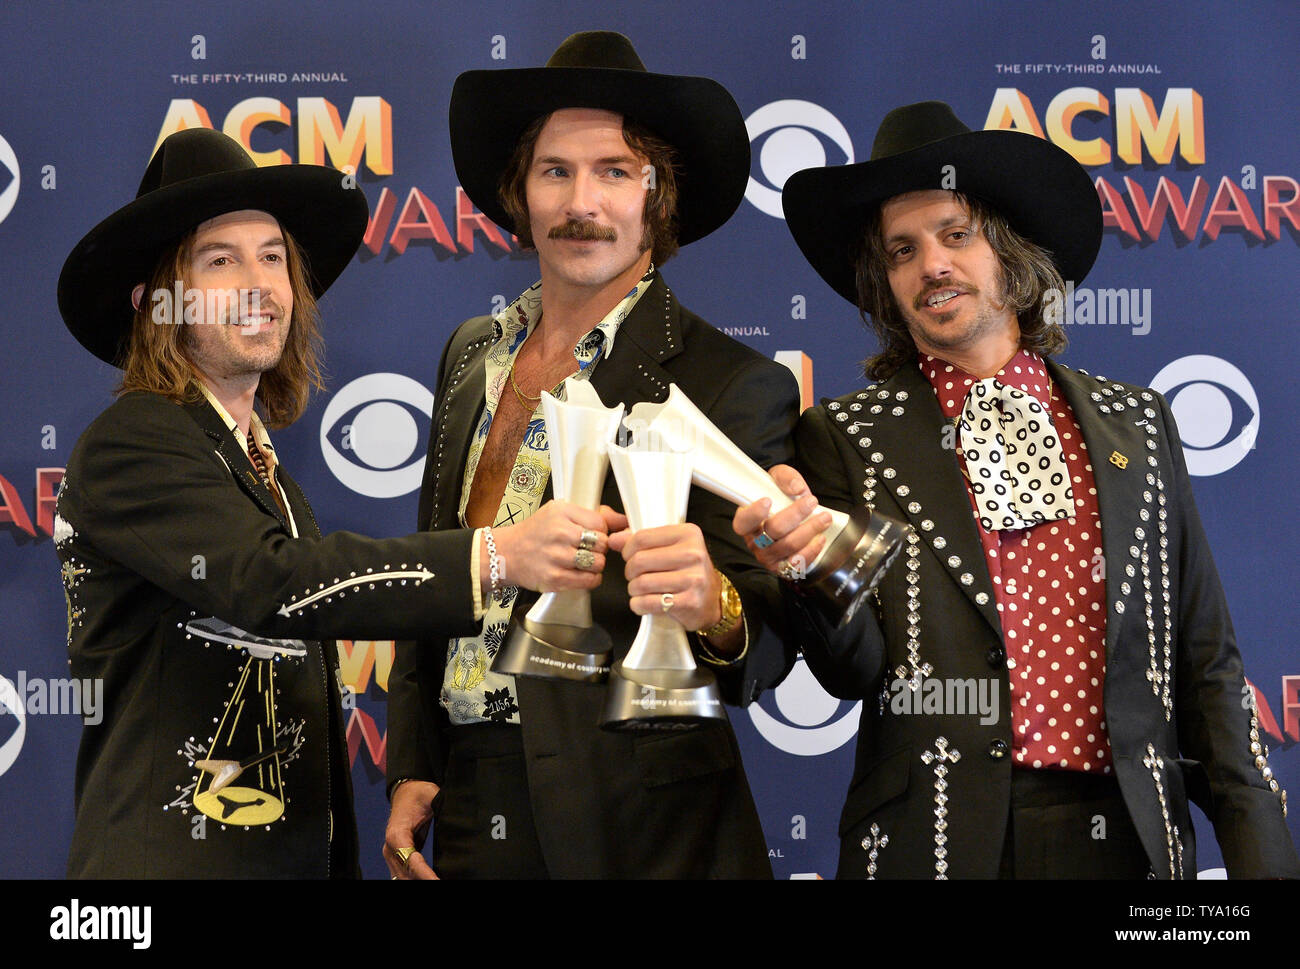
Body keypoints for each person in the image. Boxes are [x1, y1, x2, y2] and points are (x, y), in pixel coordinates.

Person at [734, 101, 1299, 878]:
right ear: (885, 282)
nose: (931, 264)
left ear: (1010, 252)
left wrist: (1261, 861)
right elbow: (854, 671)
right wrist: (814, 568)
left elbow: (1206, 665)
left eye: (955, 234)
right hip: (936, 840)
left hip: (1129, 836)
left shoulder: (1138, 422)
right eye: (902, 250)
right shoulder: (844, 435)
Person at [54, 128, 579, 878]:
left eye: (273, 256)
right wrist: (497, 554)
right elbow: (276, 583)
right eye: (219, 260)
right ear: (154, 301)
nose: (259, 283)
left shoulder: (270, 478)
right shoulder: (133, 439)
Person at [383, 31, 799, 879]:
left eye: (615, 171)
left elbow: (771, 645)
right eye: (555, 171)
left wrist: (711, 599)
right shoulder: (472, 355)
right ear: (521, 192)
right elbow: (443, 565)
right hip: (470, 798)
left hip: (639, 822)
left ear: (658, 197)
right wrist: (415, 757)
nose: (584, 202)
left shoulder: (732, 381)